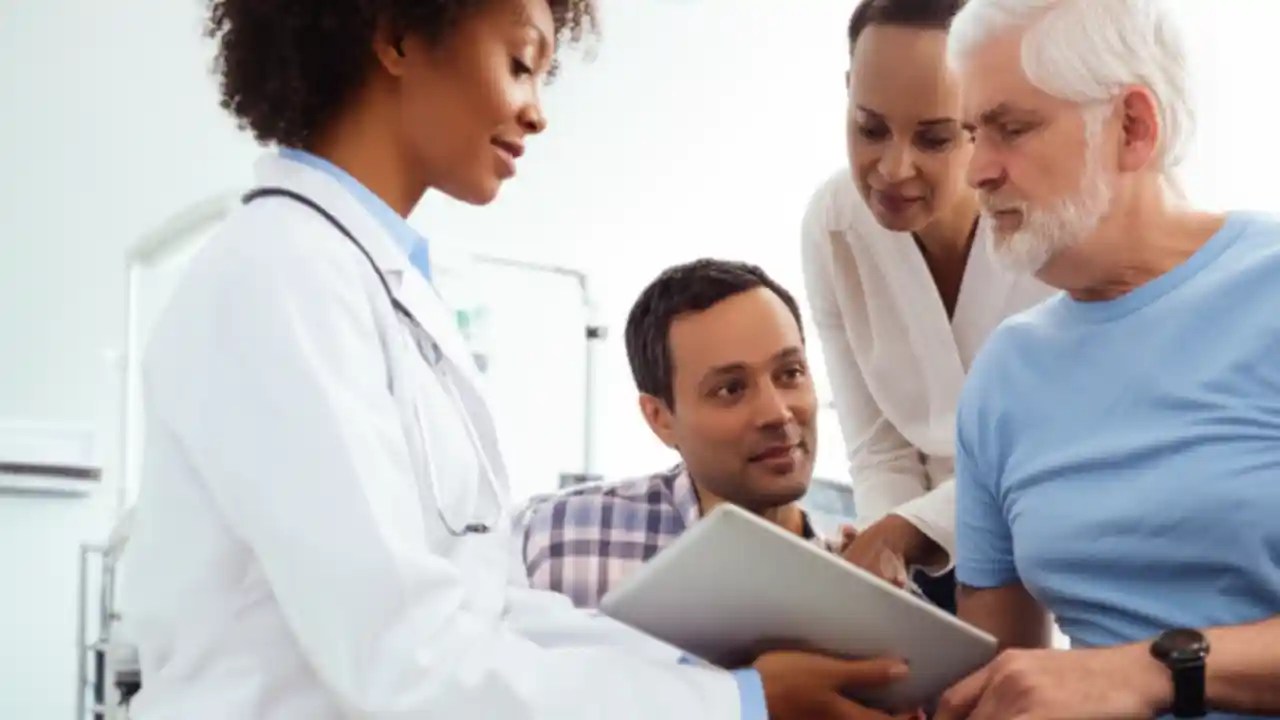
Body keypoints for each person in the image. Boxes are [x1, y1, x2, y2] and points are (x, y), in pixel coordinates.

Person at [119, 1, 917, 719]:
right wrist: (737, 701)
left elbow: (492, 612)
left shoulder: (380, 285)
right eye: (519, 63)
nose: (537, 115)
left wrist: (722, 675)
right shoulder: (282, 275)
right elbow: (407, 655)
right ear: (397, 36)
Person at [931, 1, 1280, 718]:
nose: (976, 171)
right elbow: (998, 677)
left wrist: (1151, 673)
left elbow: (1107, 680)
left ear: (1132, 127)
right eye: (971, 134)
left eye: (1011, 128)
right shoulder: (1003, 378)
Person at [800, 0, 1053, 610]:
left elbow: (1053, 447)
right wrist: (894, 576)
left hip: (1052, 542)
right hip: (929, 553)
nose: (892, 168)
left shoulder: (1049, 232)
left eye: (935, 138)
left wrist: (905, 533)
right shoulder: (833, 228)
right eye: (870, 128)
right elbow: (880, 448)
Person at [521, 259, 838, 610]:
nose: (777, 413)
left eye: (790, 373)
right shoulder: (561, 539)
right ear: (660, 419)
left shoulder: (862, 579)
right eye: (730, 389)